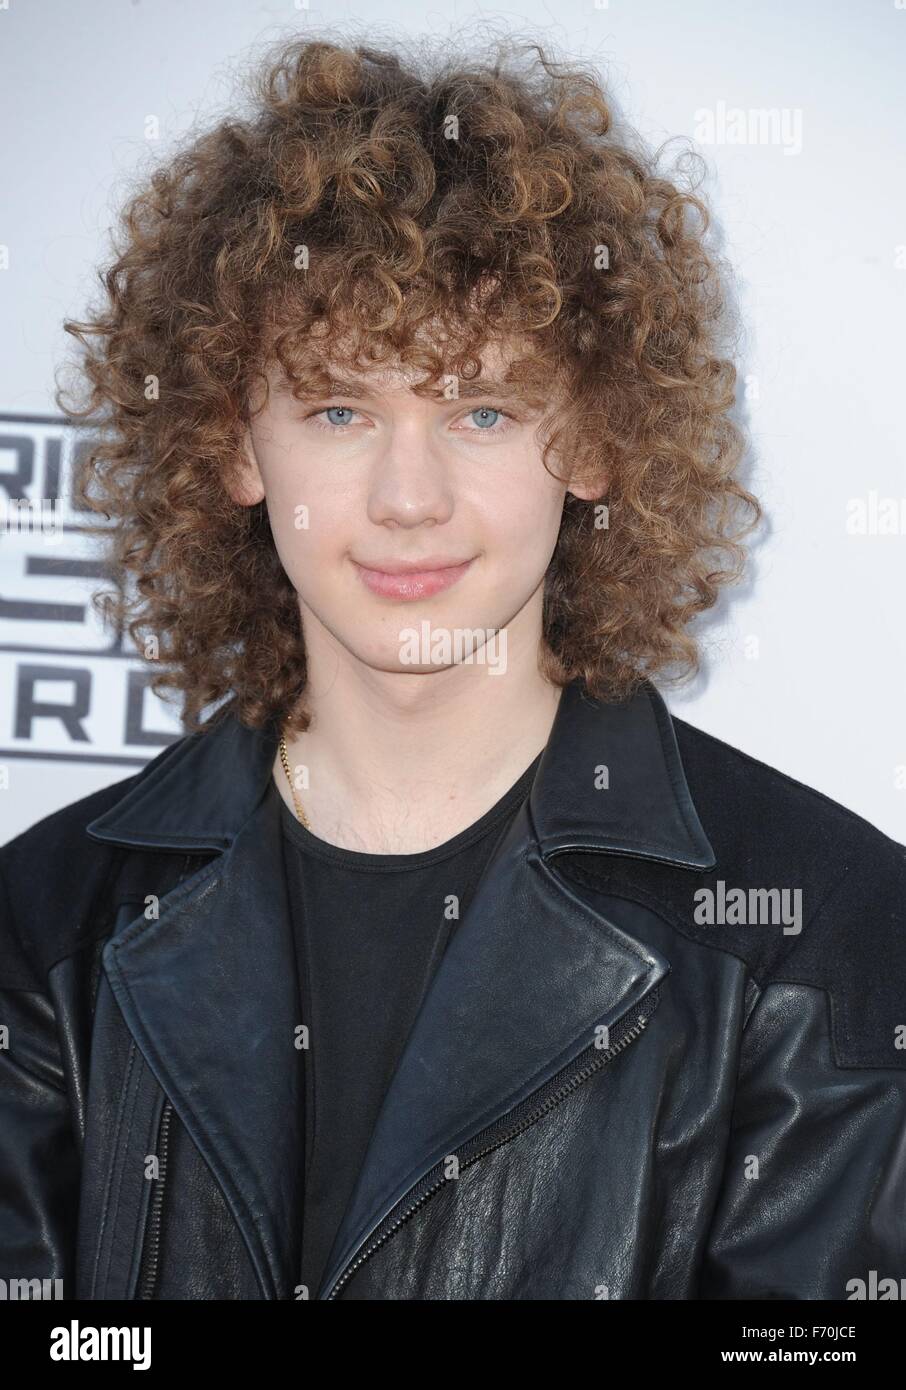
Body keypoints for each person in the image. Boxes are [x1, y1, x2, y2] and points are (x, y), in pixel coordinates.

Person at [1, 32, 904, 1302]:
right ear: (231, 446)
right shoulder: (44, 928)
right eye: (337, 411)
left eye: (481, 410)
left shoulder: (822, 933)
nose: (407, 498)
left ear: (592, 441)